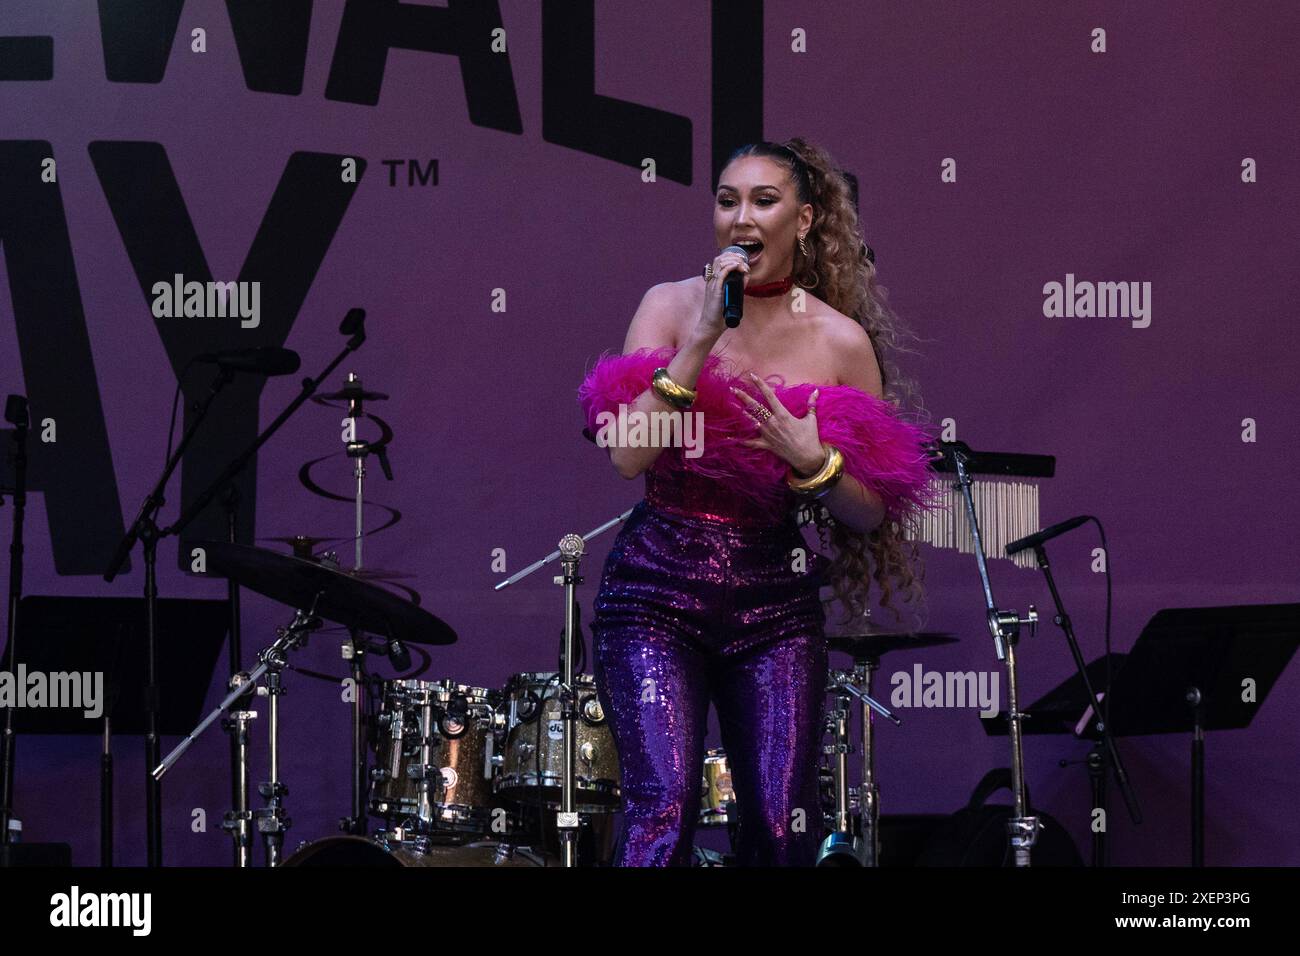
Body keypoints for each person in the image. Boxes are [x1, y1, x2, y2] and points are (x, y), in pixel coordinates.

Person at [578, 139, 937, 866]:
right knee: (662, 811)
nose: (741, 216)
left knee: (778, 824)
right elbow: (625, 454)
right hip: (655, 591)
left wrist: (816, 466)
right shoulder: (671, 306)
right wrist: (703, 337)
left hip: (774, 604)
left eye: (764, 201)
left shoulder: (840, 341)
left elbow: (869, 512)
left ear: (803, 221)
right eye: (727, 199)